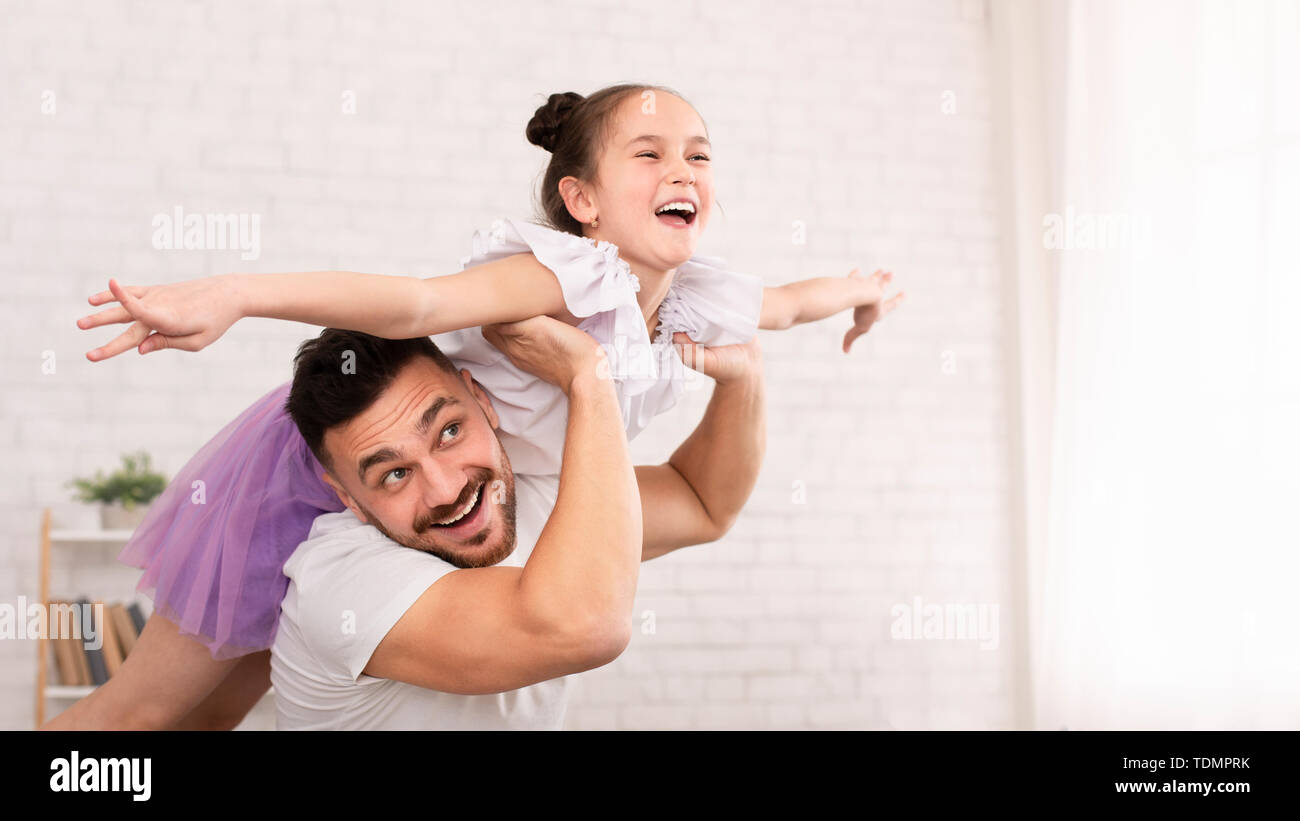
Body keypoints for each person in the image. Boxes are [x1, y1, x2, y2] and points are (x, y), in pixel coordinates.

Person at [49, 83, 901, 730]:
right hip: (358, 466)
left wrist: (861, 292)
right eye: (648, 154)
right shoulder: (567, 276)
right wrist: (239, 293)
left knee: (218, 713)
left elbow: (789, 304)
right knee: (143, 714)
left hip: (472, 482)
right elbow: (417, 306)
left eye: (699, 154)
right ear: (582, 201)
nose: (682, 169)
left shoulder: (695, 298)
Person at [269, 313, 763, 728]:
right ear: (349, 499)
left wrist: (744, 378)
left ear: (480, 400)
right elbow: (585, 627)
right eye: (395, 473)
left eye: (449, 431)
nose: (445, 489)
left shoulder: (525, 497)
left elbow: (701, 502)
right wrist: (589, 379)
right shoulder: (342, 581)